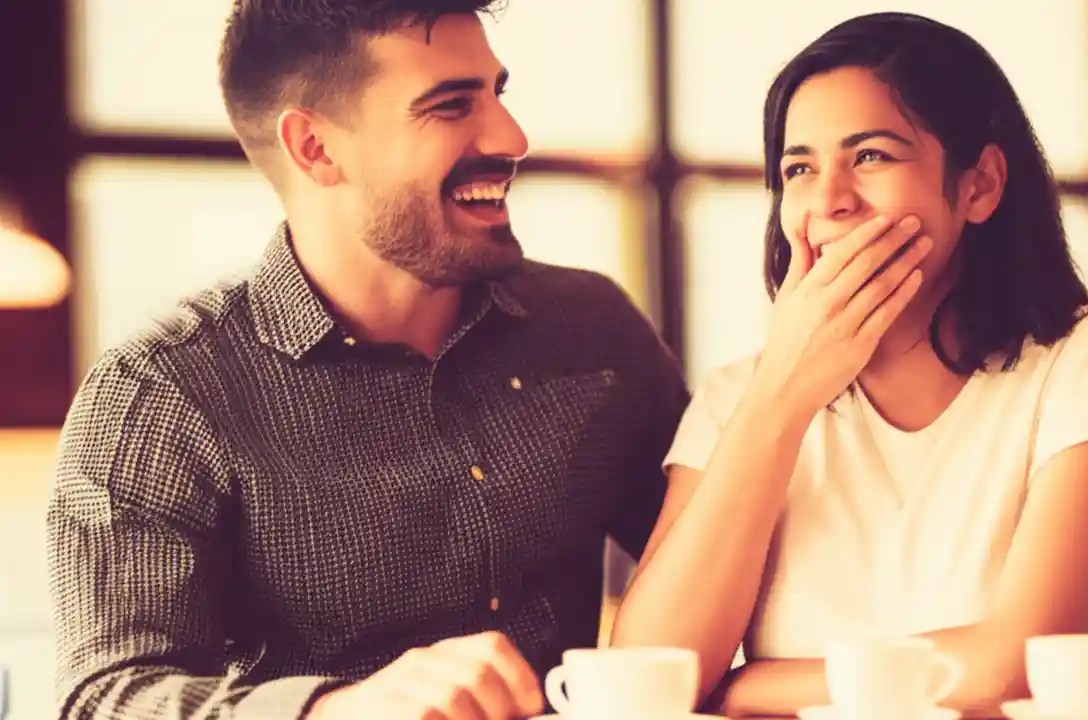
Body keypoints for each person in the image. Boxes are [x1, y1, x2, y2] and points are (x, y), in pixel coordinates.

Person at [46, 2, 688, 719]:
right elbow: (106, 698)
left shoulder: (593, 329)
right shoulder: (164, 392)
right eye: (449, 107)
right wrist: (337, 711)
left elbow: (735, 573)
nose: (512, 137)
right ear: (316, 149)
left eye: (496, 93)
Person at [609, 11, 1088, 718]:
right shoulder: (738, 397)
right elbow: (644, 683)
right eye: (799, 169)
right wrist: (781, 398)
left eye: (871, 157)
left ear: (979, 185)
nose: (829, 198)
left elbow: (1015, 667)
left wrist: (735, 688)